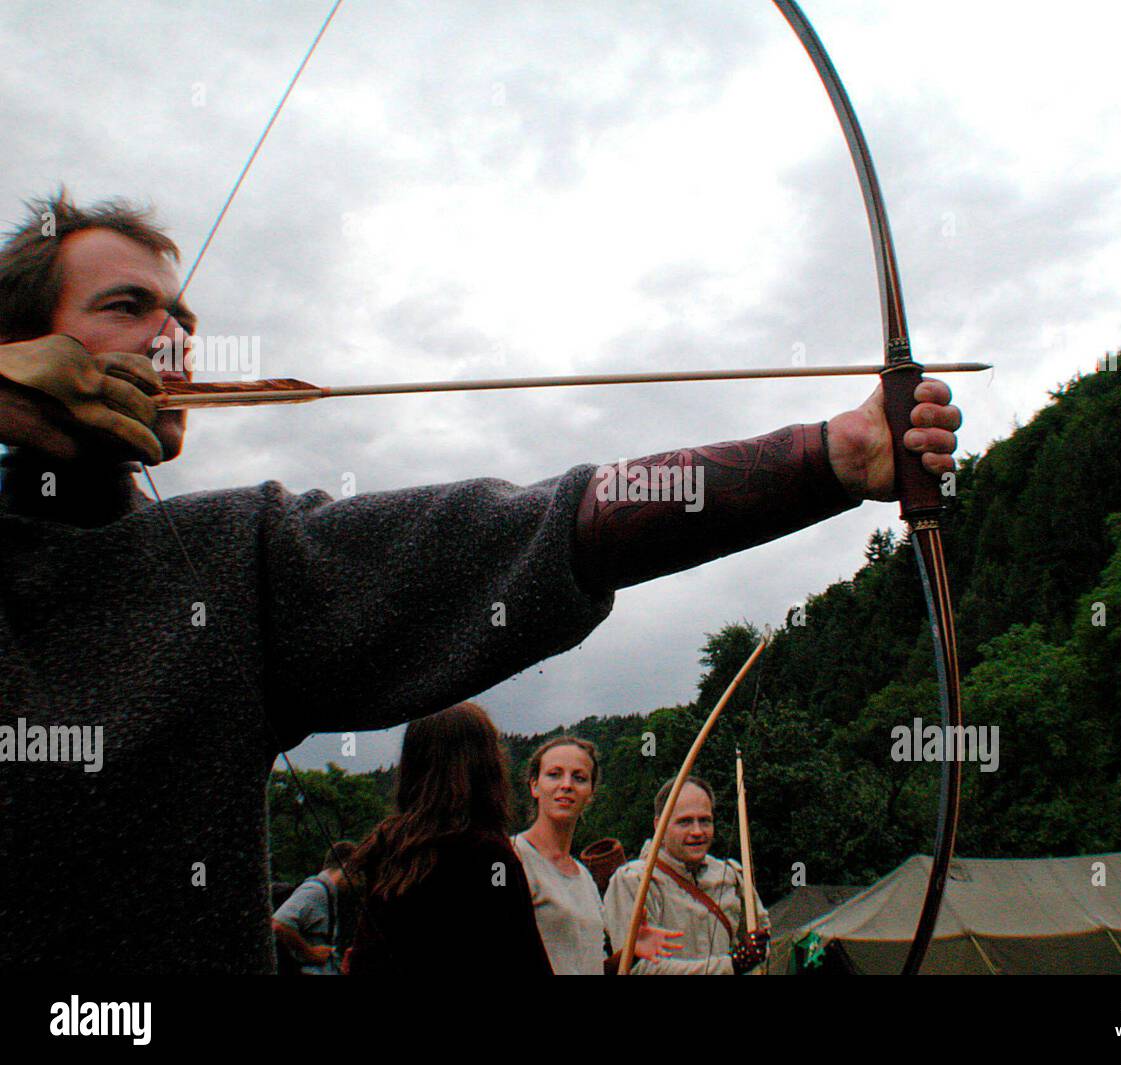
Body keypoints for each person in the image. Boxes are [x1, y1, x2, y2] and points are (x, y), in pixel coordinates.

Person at [0, 191, 962, 973]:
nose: (174, 338)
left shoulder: (224, 564)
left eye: (185, 318)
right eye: (128, 308)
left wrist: (830, 457)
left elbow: (541, 529)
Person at [346, 702, 549, 974]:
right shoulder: (493, 859)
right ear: (485, 766)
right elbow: (522, 953)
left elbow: (365, 959)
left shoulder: (388, 848)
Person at [512, 736, 681, 974]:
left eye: (579, 778)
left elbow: (590, 968)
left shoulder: (583, 877)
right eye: (554, 774)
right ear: (535, 786)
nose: (566, 785)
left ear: (590, 793)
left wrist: (629, 953)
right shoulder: (514, 858)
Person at [604, 776, 769, 975]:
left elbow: (760, 938)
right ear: (660, 825)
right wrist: (730, 966)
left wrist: (754, 952)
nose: (697, 831)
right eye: (685, 822)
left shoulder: (731, 875)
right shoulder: (633, 880)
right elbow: (638, 969)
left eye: (705, 821)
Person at [271, 842, 356, 975]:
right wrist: (309, 952)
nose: (358, 880)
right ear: (347, 867)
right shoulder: (316, 890)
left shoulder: (328, 894)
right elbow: (279, 923)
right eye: (358, 873)